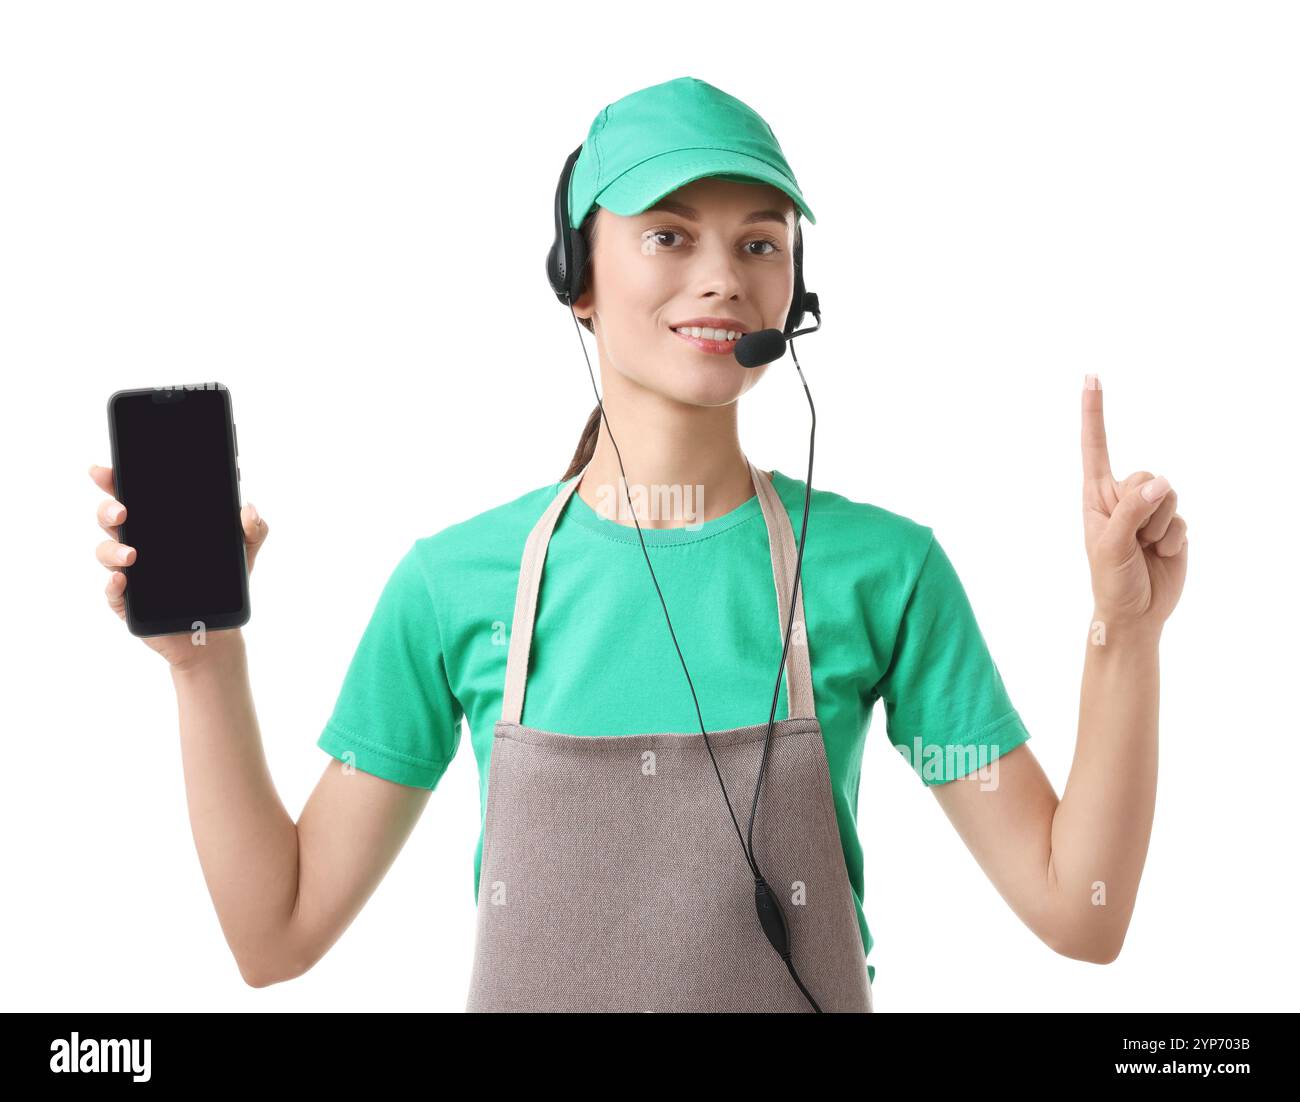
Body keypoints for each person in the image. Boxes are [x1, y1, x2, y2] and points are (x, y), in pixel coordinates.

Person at [87, 76, 1188, 1011]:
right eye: (668, 234)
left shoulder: (882, 573)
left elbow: (1074, 909)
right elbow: (274, 933)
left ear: (792, 292)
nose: (722, 275)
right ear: (576, 276)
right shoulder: (452, 584)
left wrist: (1122, 637)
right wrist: (204, 665)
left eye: (760, 241)